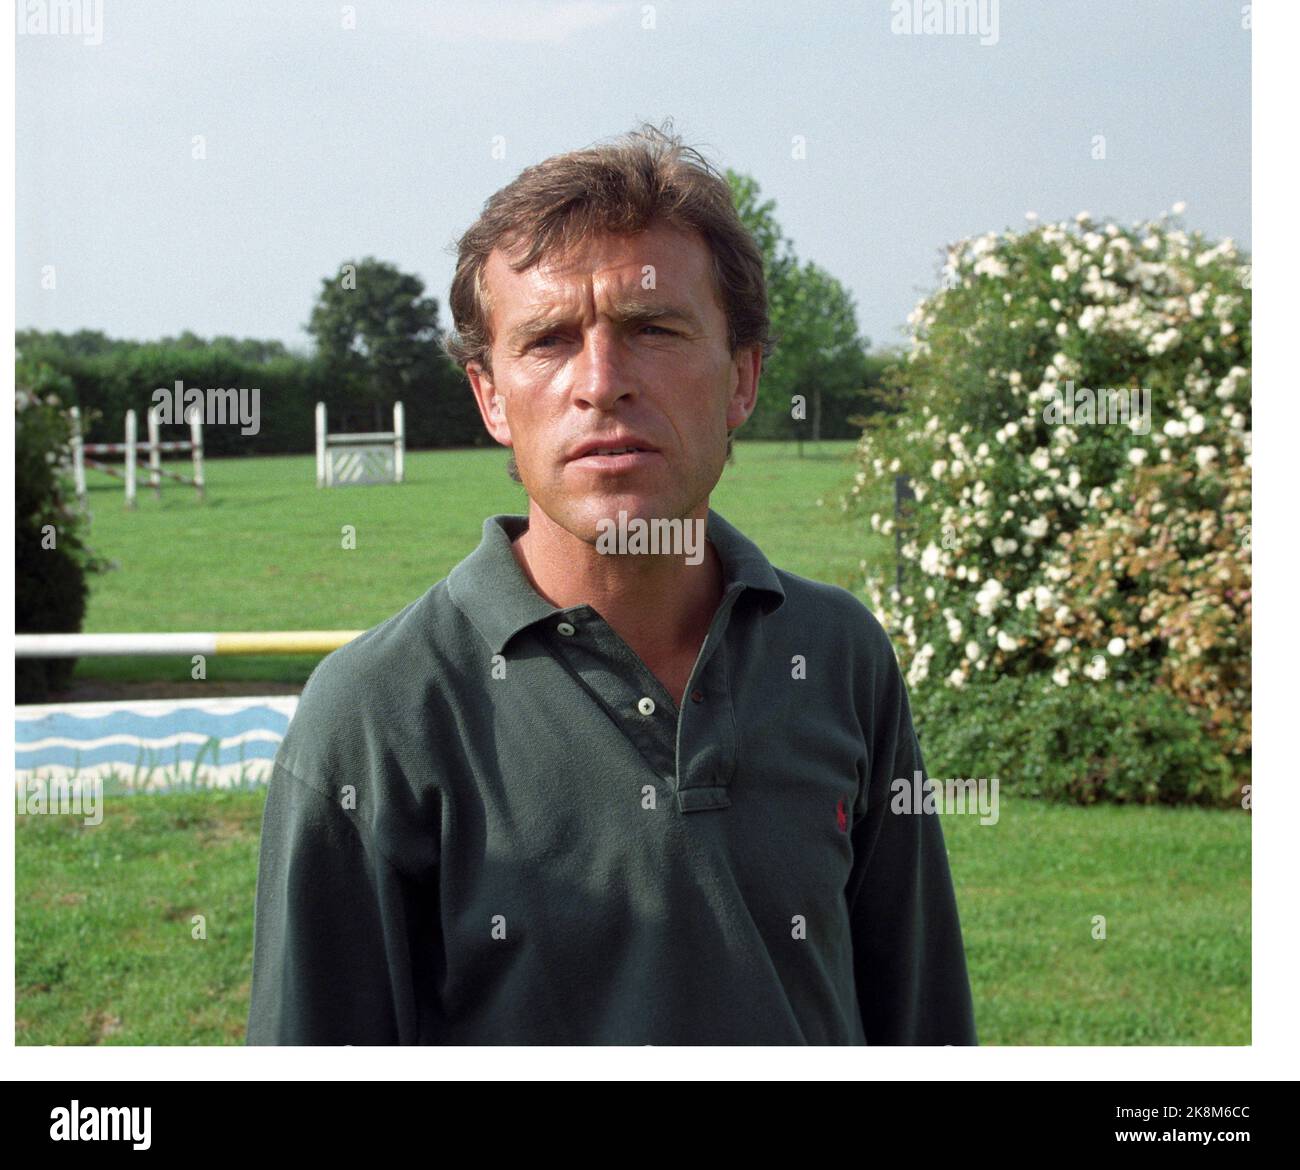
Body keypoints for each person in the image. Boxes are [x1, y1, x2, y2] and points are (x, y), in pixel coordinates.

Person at [246, 123, 977, 1045]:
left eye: (652, 329)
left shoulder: (838, 655)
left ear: (743, 378)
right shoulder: (375, 716)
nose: (602, 383)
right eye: (548, 340)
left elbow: (921, 1025)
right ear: (490, 399)